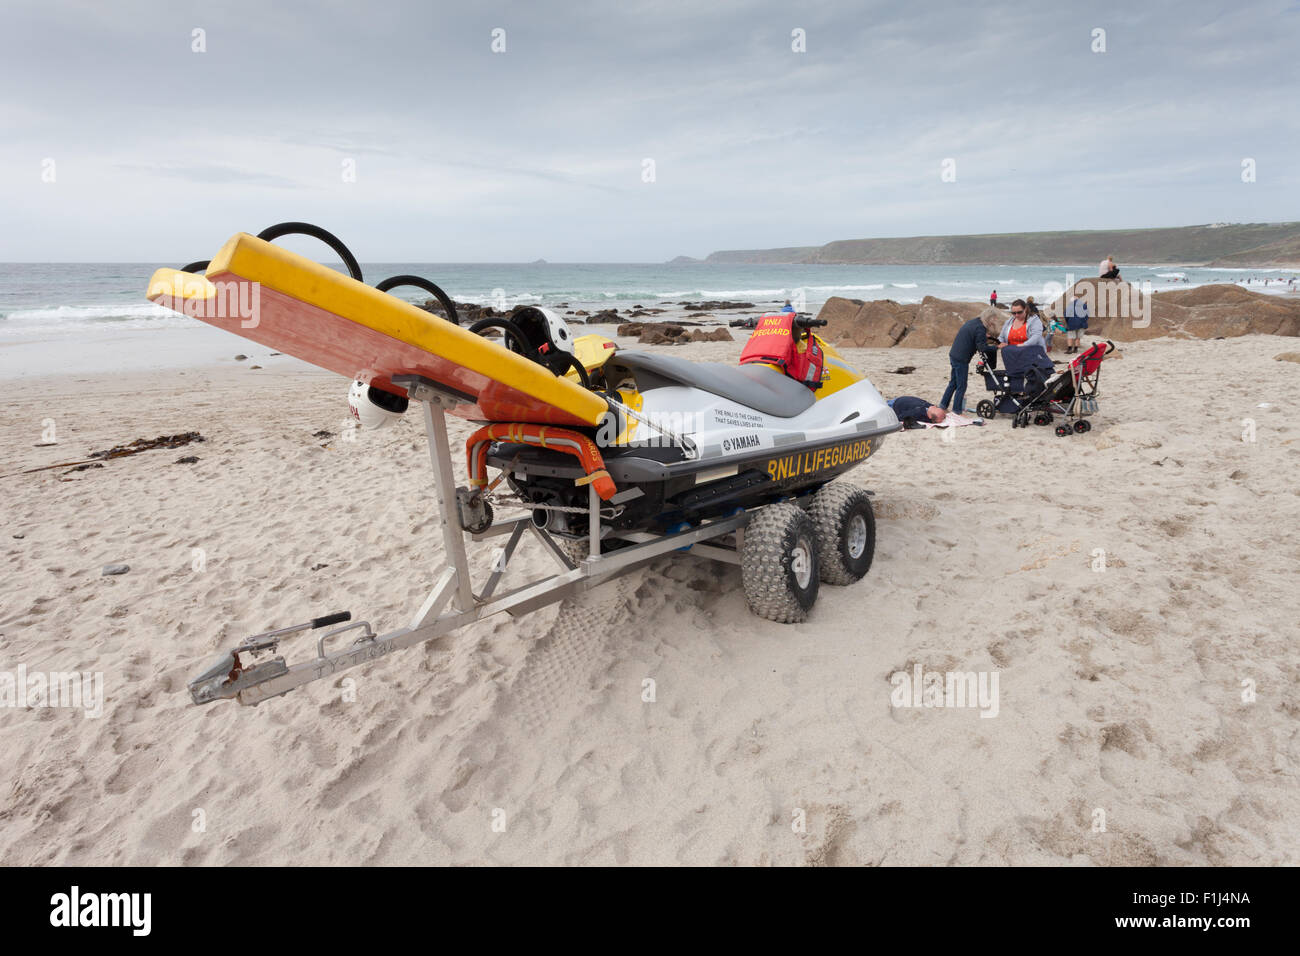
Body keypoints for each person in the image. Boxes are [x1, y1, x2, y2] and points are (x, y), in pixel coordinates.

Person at [941, 314, 996, 414]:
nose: (992, 324)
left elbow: (974, 335)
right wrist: (998, 347)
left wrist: (984, 336)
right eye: (992, 322)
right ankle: (957, 411)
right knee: (961, 385)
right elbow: (982, 348)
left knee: (953, 383)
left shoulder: (974, 321)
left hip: (954, 354)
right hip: (961, 359)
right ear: (988, 320)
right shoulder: (981, 328)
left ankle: (943, 406)